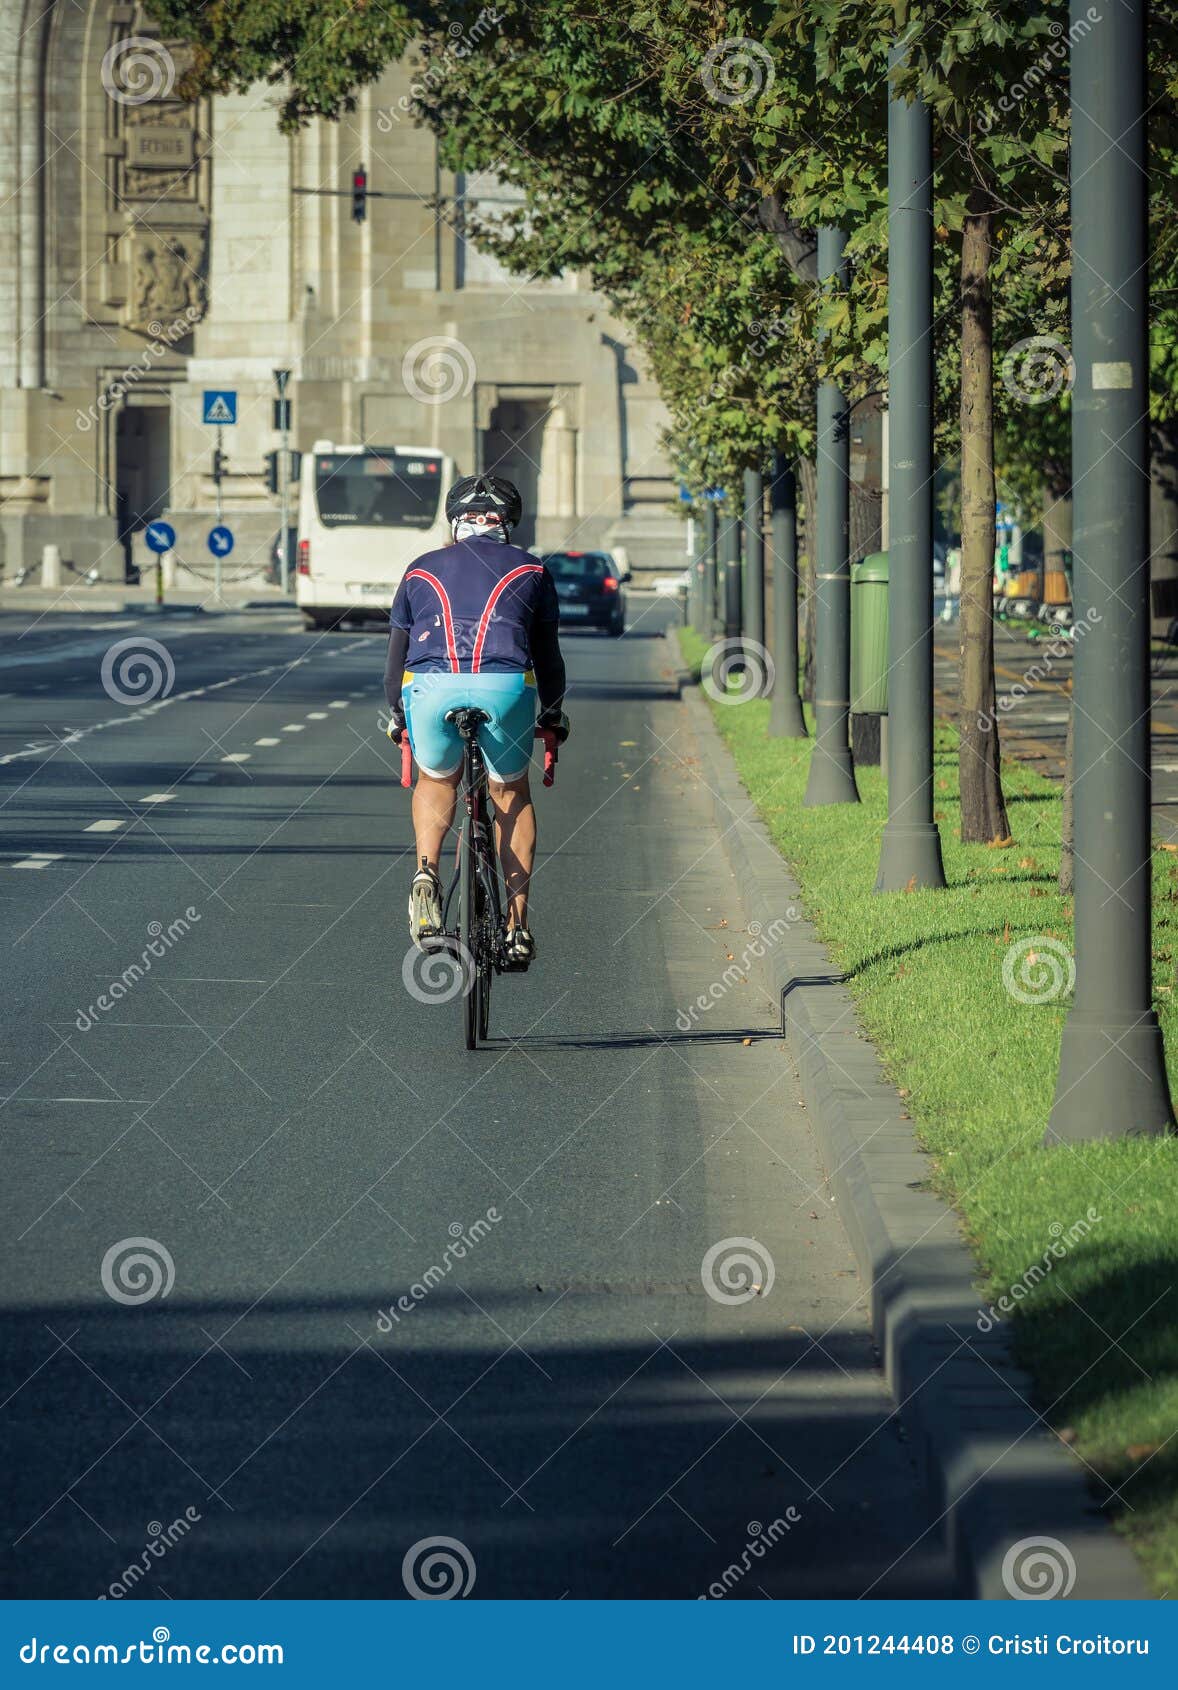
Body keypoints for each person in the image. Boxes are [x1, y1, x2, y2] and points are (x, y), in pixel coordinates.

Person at [384, 473, 569, 966]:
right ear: (508, 522)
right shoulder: (532, 570)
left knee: (437, 779)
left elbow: (394, 663)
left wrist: (398, 715)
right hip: (504, 686)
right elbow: (548, 661)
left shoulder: (419, 570)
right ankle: (516, 926)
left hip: (429, 688)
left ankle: (426, 871)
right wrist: (552, 714)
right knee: (510, 791)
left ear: (453, 520)